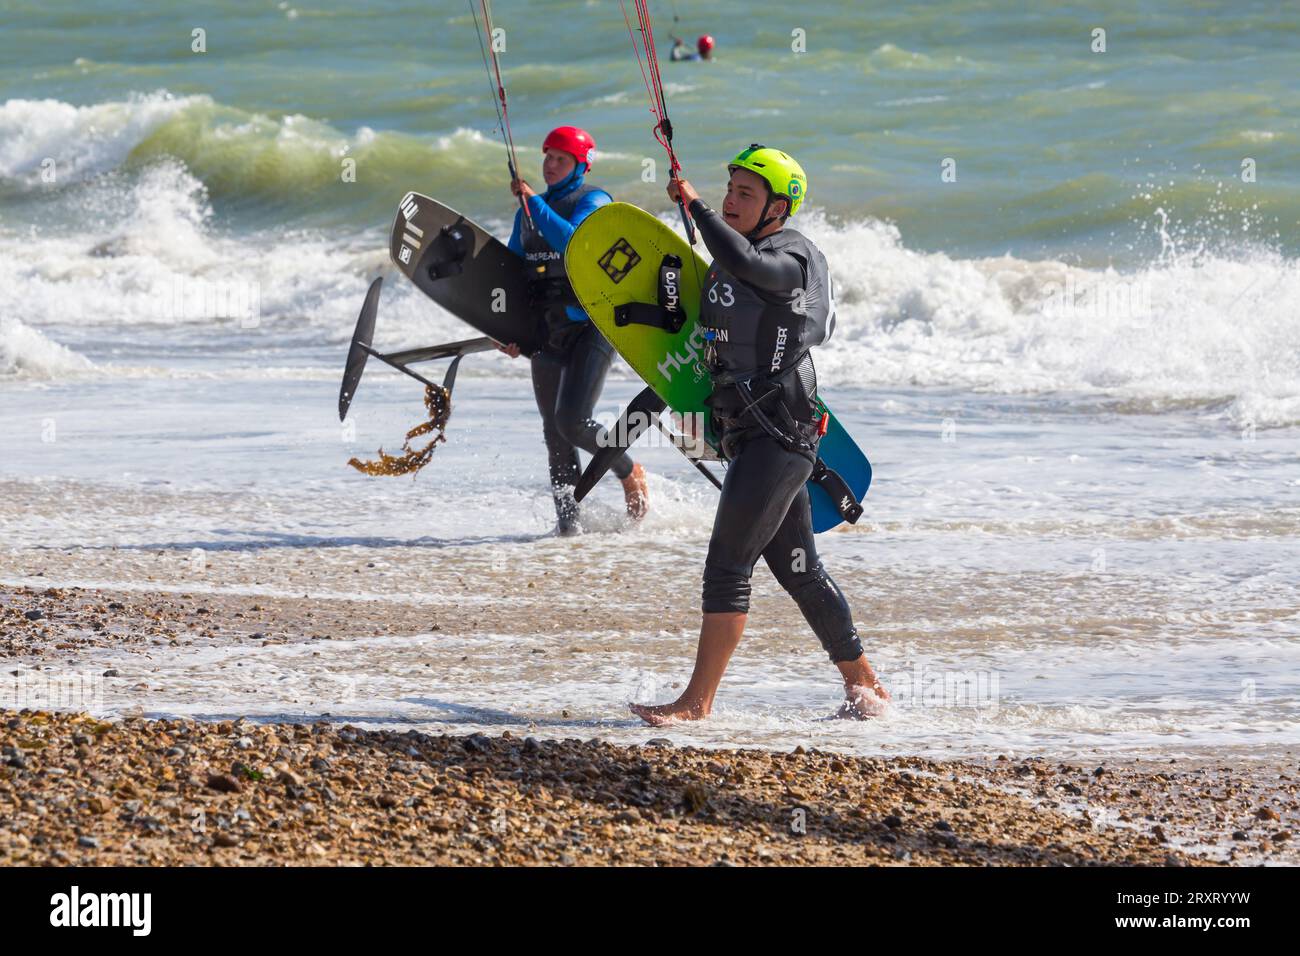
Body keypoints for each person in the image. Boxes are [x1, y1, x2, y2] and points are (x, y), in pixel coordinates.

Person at [631, 145, 889, 724]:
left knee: (727, 565)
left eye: (746, 194)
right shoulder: (731, 258)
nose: (731, 200)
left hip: (782, 437)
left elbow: (757, 271)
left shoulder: (792, 256)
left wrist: (698, 210)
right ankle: (865, 686)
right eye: (730, 189)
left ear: (778, 207)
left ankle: (697, 703)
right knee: (800, 569)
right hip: (746, 434)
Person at [500, 126, 649, 534]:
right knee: (555, 434)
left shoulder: (593, 199)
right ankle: (569, 527)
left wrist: (532, 202)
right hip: (546, 331)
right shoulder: (526, 213)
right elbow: (511, 275)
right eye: (547, 156)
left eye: (560, 159)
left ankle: (628, 469)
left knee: (573, 421)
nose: (549, 165)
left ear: (580, 166)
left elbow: (575, 242)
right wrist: (505, 329)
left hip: (591, 326)